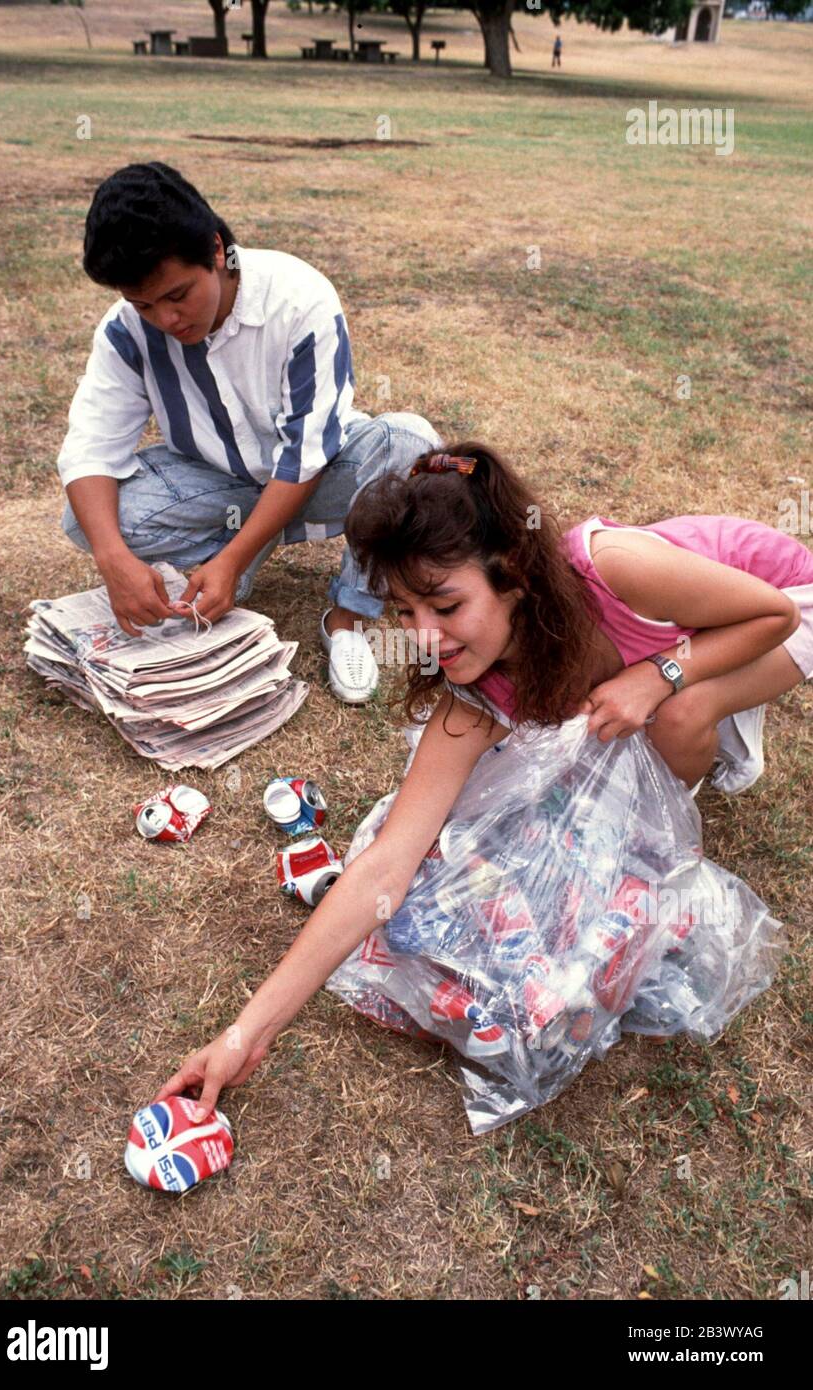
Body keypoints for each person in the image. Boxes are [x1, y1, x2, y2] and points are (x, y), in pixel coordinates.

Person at [153, 443, 812, 1116]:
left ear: (514, 576)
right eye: (406, 612)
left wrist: (655, 675)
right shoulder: (474, 694)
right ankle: (682, 705)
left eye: (444, 605)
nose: (424, 636)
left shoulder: (611, 565)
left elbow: (771, 615)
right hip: (683, 633)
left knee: (679, 713)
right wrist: (243, 1034)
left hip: (776, 601)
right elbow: (385, 868)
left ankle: (711, 744)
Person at [57, 161, 441, 705]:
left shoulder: (300, 300)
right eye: (144, 304)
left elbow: (305, 457)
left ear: (216, 251)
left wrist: (232, 558)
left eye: (177, 295)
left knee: (412, 446)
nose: (165, 318)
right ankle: (240, 548)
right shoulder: (125, 330)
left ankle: (348, 618)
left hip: (323, 476)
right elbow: (90, 450)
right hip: (216, 483)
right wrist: (113, 561)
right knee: (90, 518)